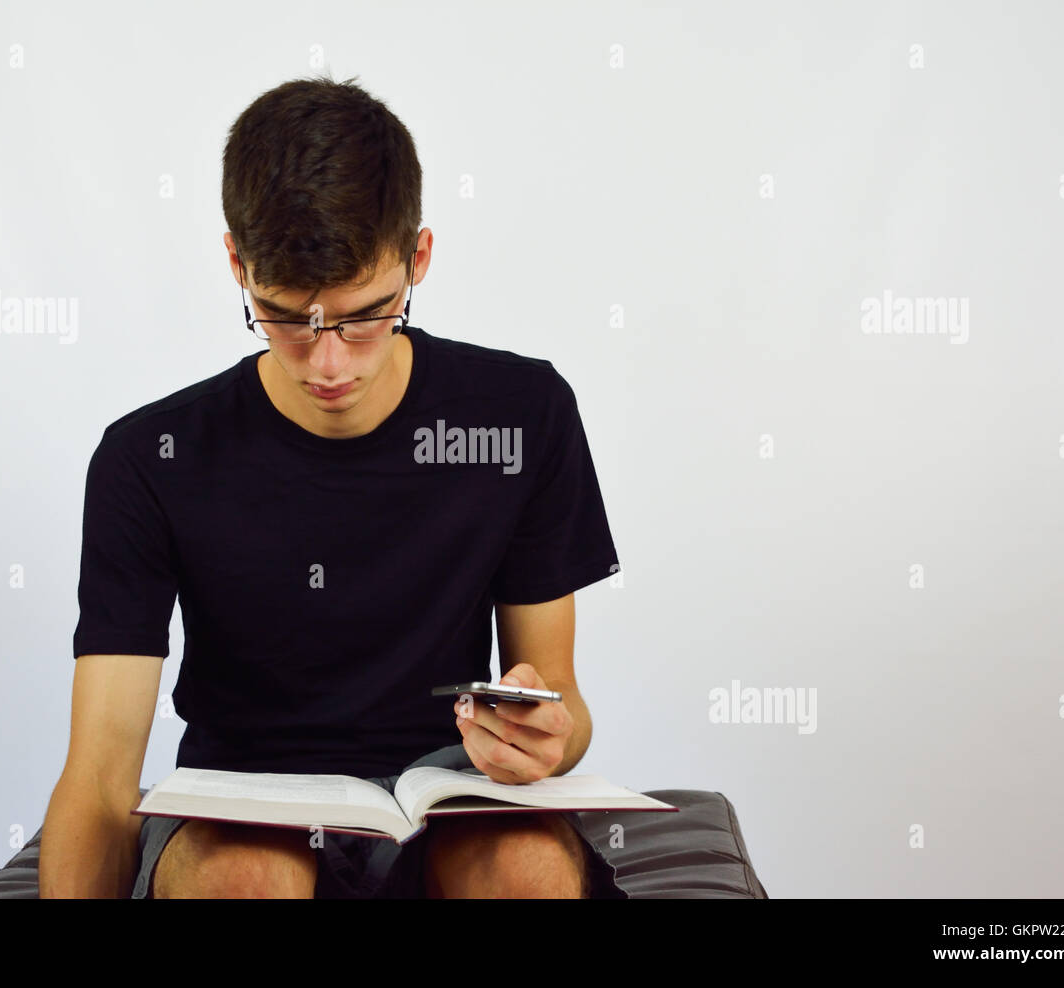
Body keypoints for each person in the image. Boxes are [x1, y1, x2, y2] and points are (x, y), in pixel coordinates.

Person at [38, 74, 624, 899]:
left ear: (418, 257)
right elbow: (100, 779)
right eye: (282, 316)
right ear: (238, 266)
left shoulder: (522, 416)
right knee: (248, 877)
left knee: (523, 869)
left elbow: (559, 696)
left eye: (364, 315)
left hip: (448, 806)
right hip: (237, 812)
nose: (329, 363)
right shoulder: (150, 457)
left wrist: (545, 736)